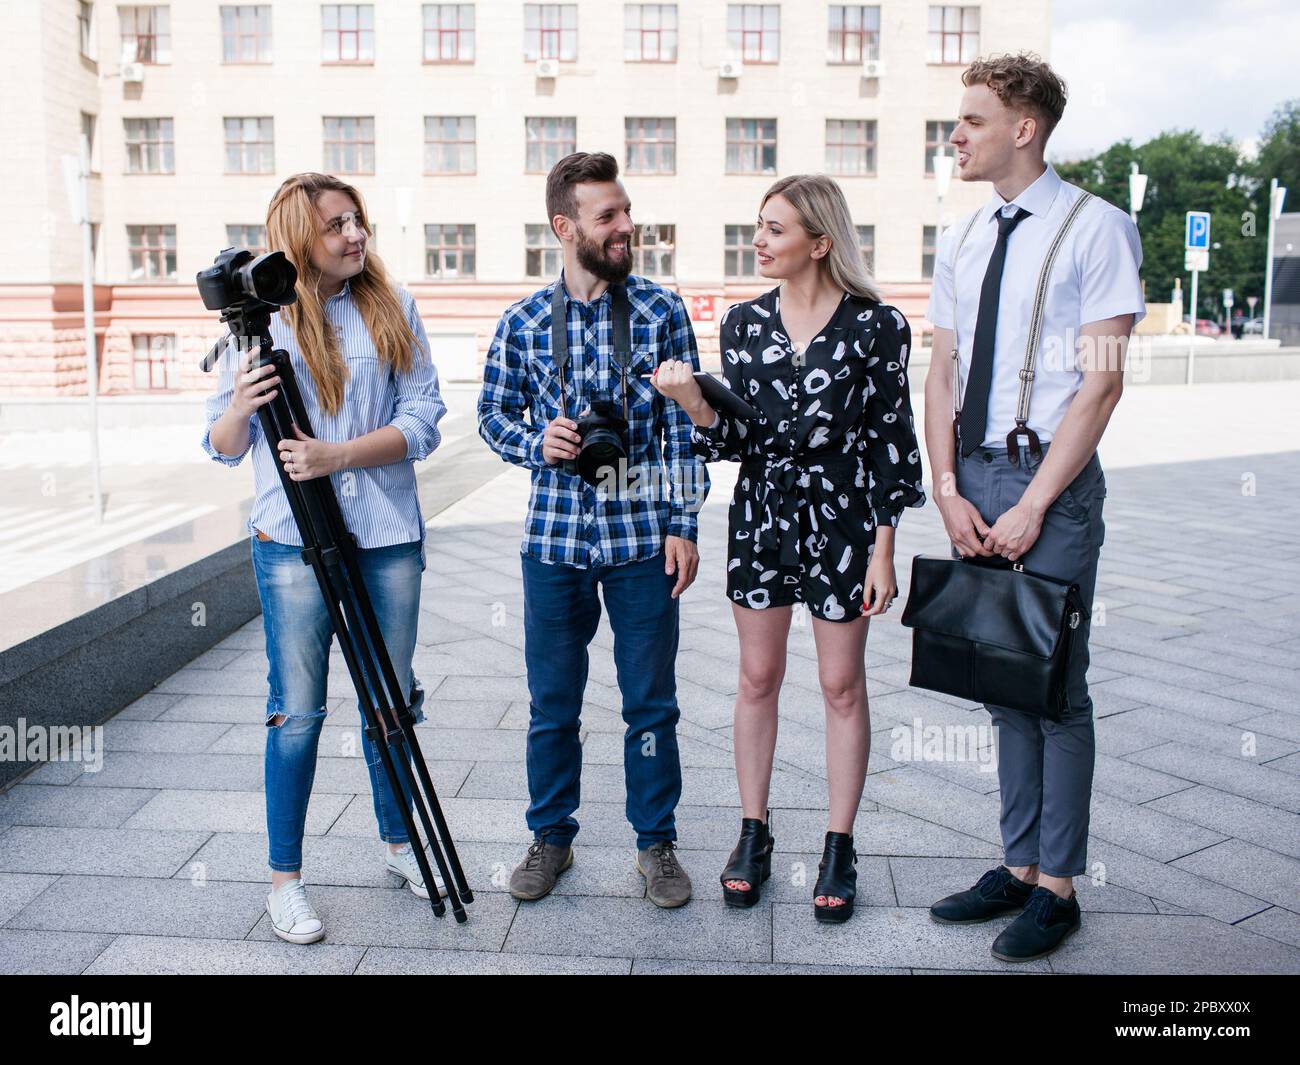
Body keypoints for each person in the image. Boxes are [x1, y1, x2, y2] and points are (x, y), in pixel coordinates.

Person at [652, 174, 925, 922]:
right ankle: (754, 832)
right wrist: (693, 401)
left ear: (820, 242)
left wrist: (884, 546)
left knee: (841, 683)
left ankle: (840, 845)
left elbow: (889, 441)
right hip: (764, 512)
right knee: (757, 675)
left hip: (844, 521)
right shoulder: (744, 324)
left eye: (774, 229)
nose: (759, 240)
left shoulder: (877, 326)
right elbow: (741, 437)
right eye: (758, 225)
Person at [922, 54, 1144, 961]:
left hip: (1048, 480)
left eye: (971, 120)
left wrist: (1036, 504)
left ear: (1024, 127)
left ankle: (1058, 887)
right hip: (972, 477)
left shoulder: (1099, 228)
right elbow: (938, 372)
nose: (956, 135)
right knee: (999, 684)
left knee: (1053, 687)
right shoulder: (966, 235)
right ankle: (1016, 866)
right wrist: (947, 489)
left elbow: (1100, 386)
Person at [202, 172, 447, 944]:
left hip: (387, 534)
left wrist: (340, 454)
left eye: (357, 220)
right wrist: (240, 406)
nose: (354, 235)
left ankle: (402, 845)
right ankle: (286, 882)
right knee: (298, 712)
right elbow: (220, 443)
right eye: (336, 225)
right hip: (290, 540)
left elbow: (426, 418)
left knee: (389, 701)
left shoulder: (391, 305)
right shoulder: (257, 322)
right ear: (298, 237)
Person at [477, 152, 710, 908]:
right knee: (553, 702)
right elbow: (491, 415)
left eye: (626, 211)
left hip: (642, 535)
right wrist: (532, 441)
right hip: (554, 540)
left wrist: (684, 521)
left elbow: (683, 428)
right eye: (607, 215)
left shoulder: (661, 310)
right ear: (564, 226)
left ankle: (656, 844)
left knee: (651, 703)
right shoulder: (519, 322)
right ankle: (551, 837)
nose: (626, 226)